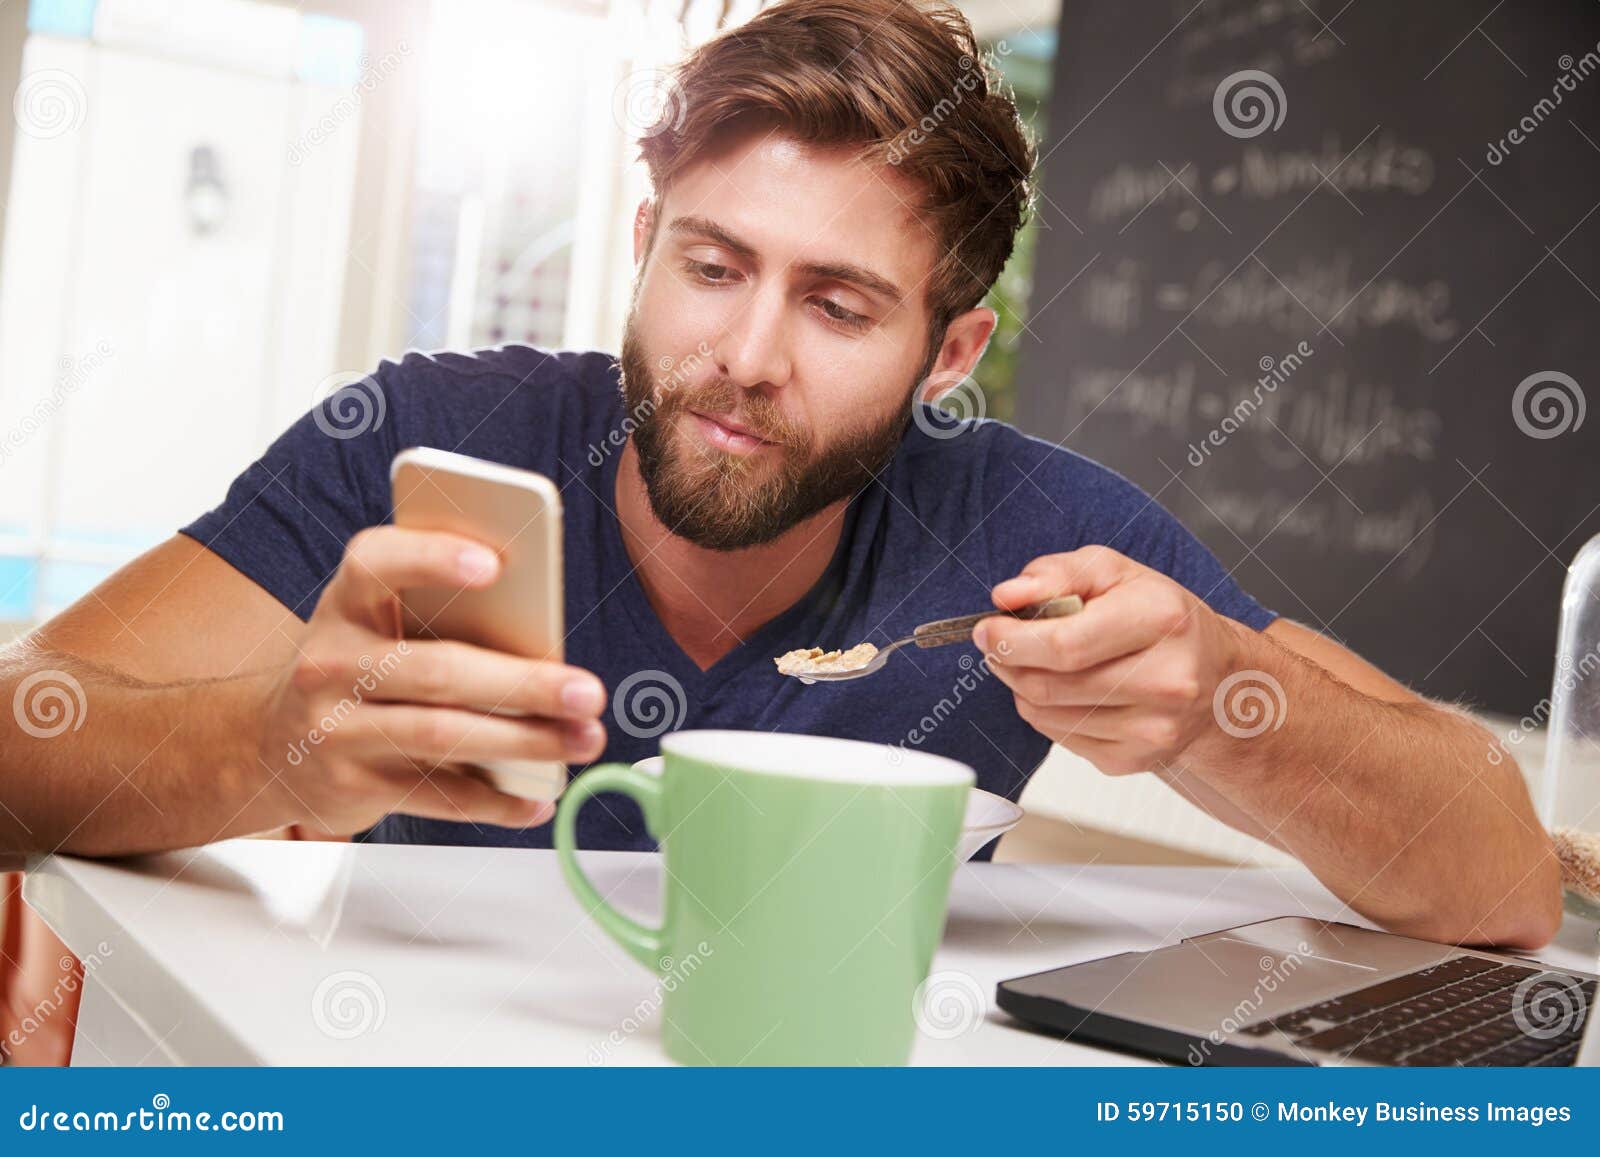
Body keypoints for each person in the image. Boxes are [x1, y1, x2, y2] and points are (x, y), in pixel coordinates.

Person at [0, 0, 1558, 949]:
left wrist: (1227, 699)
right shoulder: (421, 440)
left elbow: (1502, 885)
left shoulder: (1031, 527)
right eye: (713, 263)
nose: (744, 352)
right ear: (642, 249)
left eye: (837, 303)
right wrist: (275, 744)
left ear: (950, 353)